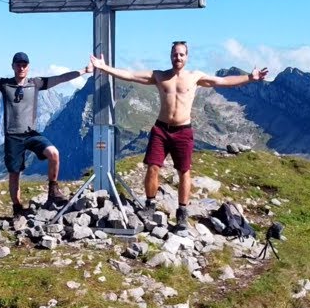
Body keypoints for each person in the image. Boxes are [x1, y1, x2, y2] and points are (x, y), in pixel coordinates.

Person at [89, 42, 267, 230]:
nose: (178, 58)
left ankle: (182, 213)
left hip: (183, 131)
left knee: (184, 172)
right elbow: (131, 75)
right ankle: (150, 205)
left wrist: (250, 77)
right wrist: (104, 67)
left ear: (187, 57)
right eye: (175, 54)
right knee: (152, 167)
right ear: (170, 56)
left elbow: (222, 82)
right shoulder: (159, 76)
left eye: (181, 54)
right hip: (161, 129)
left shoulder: (195, 77)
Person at [0, 52, 90, 214]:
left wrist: (84, 70)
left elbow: (62, 78)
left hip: (31, 133)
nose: (21, 67)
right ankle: (17, 208)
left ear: (28, 67)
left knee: (54, 153)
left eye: (24, 65)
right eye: (18, 64)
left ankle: (53, 191)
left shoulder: (36, 83)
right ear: (13, 66)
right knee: (14, 175)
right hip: (13, 136)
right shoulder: (4, 84)